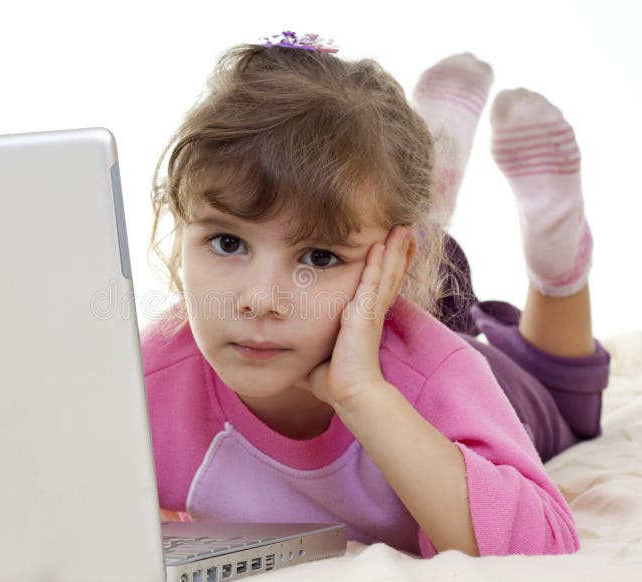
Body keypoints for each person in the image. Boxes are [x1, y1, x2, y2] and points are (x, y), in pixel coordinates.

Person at [141, 33, 611, 558]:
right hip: (375, 302)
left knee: (566, 397)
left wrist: (364, 396)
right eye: (227, 243)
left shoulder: (436, 374)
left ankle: (557, 243)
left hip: (493, 381)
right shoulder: (144, 383)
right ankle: (433, 178)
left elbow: (546, 547)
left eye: (318, 257)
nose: (260, 300)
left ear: (392, 266)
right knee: (374, 230)